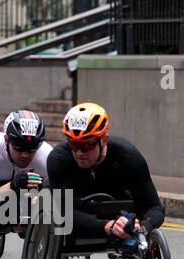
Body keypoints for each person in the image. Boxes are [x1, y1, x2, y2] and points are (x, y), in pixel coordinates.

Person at [46, 102, 165, 241]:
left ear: (104, 140)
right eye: (73, 144)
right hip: (75, 212)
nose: (79, 152)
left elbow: (155, 208)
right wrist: (108, 226)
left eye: (87, 145)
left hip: (117, 207)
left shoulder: (128, 156)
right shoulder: (58, 159)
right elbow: (65, 214)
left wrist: (142, 228)